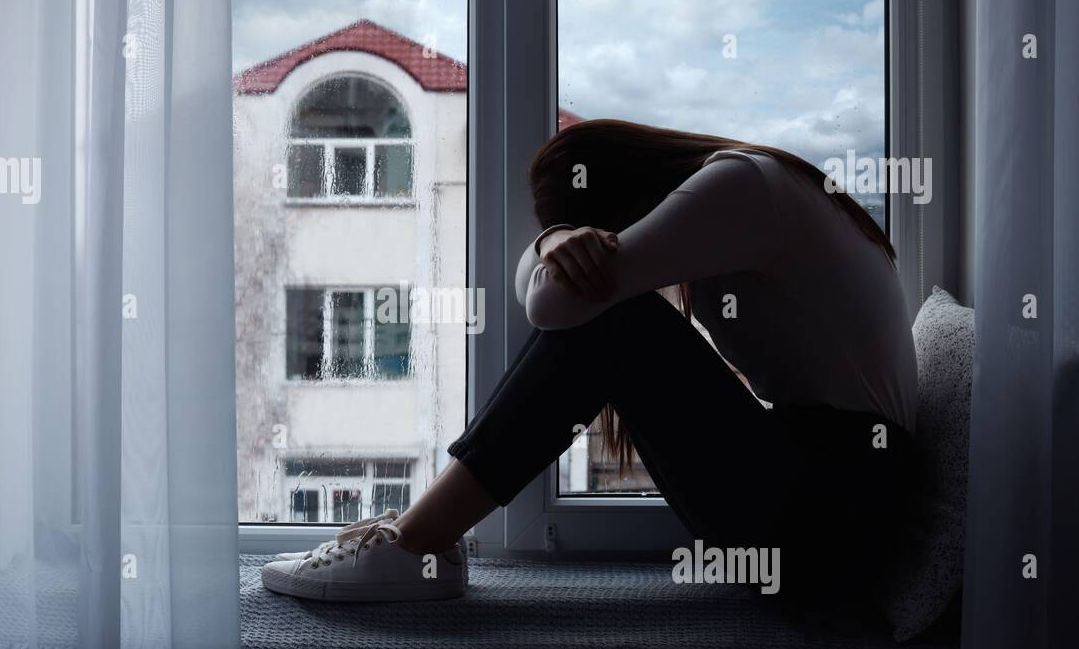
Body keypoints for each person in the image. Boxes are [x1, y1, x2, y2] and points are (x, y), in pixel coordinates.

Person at [261, 120, 917, 613]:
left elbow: (558, 302)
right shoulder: (761, 194)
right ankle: (417, 539)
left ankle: (411, 544)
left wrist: (551, 251)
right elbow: (554, 291)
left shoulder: (744, 185)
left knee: (612, 318)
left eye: (583, 232)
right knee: (614, 315)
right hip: (839, 511)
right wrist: (551, 243)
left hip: (837, 522)